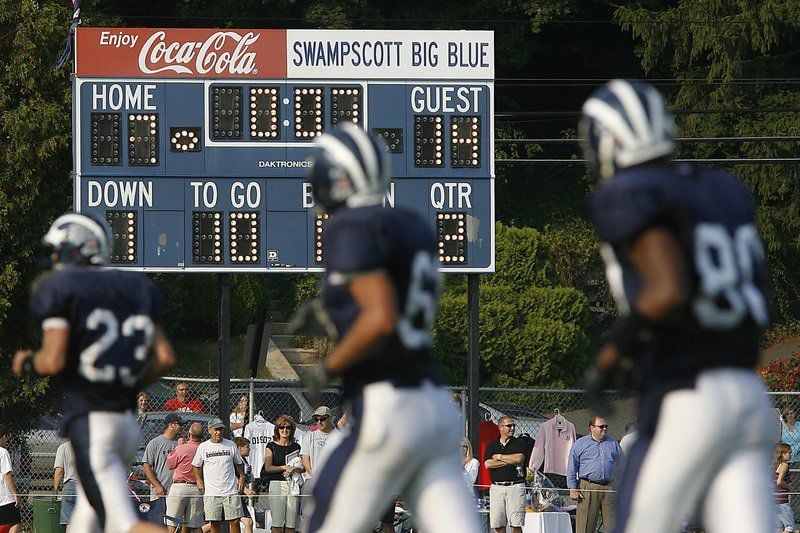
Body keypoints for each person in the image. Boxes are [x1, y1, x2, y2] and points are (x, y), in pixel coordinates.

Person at [580, 79, 776, 533]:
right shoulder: (722, 190)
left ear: (610, 141)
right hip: (749, 396)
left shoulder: (631, 192)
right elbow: (759, 296)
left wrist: (610, 358)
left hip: (687, 398)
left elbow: (666, 290)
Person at [292, 123, 480, 533]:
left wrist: (327, 368)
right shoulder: (411, 223)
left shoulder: (351, 224)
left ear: (335, 177)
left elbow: (379, 318)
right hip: (435, 406)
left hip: (387, 408)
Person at [12, 211, 176, 533]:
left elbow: (53, 359)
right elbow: (166, 357)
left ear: (76, 248)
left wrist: (27, 361)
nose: (55, 261)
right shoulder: (135, 288)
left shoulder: (63, 289)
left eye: (58, 252)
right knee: (83, 524)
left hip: (94, 422)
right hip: (125, 422)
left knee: (124, 525)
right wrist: (126, 384)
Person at [567, 417, 622, 533]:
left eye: (606, 426)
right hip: (588, 487)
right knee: (585, 526)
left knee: (614, 526)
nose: (604, 429)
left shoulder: (613, 443)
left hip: (610, 487)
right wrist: (573, 488)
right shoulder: (580, 444)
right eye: (601, 427)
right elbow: (572, 466)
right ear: (592, 428)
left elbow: (622, 464)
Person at [193, 418, 245, 533]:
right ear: (209, 430)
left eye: (220, 429)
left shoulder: (231, 445)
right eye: (216, 429)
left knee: (235, 521)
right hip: (212, 492)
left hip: (230, 491)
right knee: (214, 523)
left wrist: (242, 477)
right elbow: (196, 465)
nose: (218, 432)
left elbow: (239, 463)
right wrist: (199, 481)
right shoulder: (203, 447)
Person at [484, 416, 527, 533]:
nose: (512, 428)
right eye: (509, 426)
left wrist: (498, 457)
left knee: (516, 524)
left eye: (513, 426)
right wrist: (509, 461)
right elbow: (488, 464)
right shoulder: (492, 445)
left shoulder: (519, 443)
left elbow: (519, 459)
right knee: (498, 524)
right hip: (497, 487)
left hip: (515, 487)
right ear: (500, 427)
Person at [264, 415, 303, 533]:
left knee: (291, 524)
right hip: (277, 484)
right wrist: (283, 467)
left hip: (293, 484)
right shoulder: (271, 446)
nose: (284, 430)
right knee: (277, 523)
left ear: (292, 430)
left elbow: (302, 468)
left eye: (288, 427)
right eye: (281, 427)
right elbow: (268, 468)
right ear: (277, 429)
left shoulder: (296, 447)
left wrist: (294, 469)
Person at [166, 422, 205, 533]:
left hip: (180, 487)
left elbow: (170, 464)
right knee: (196, 524)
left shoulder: (182, 448)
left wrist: (178, 446)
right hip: (197, 488)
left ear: (189, 435)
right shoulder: (204, 448)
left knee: (172, 522)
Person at [143, 412, 183, 505]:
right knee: (158, 514)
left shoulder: (181, 443)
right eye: (180, 424)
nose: (182, 427)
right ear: (172, 425)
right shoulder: (155, 443)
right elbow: (146, 466)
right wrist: (157, 486)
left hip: (177, 491)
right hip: (160, 491)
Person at [53, 440, 80, 532]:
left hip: (70, 486)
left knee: (69, 522)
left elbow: (59, 471)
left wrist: (55, 491)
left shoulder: (63, 447)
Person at [234, 437, 256, 533]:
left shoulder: (244, 461)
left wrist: (249, 474)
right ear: (240, 448)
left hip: (239, 496)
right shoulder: (234, 461)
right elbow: (233, 477)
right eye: (247, 447)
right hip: (233, 495)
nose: (249, 449)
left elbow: (249, 480)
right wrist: (245, 490)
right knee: (248, 522)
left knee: (247, 522)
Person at [0, 426, 20, 533]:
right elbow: (7, 474)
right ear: (4, 436)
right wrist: (15, 494)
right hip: (4, 497)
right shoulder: (3, 452)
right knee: (15, 523)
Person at [775, 442, 795, 533]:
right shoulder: (784, 465)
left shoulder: (774, 465)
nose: (791, 455)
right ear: (782, 453)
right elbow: (779, 481)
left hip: (774, 502)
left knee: (778, 528)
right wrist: (790, 487)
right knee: (789, 527)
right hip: (782, 502)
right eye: (789, 453)